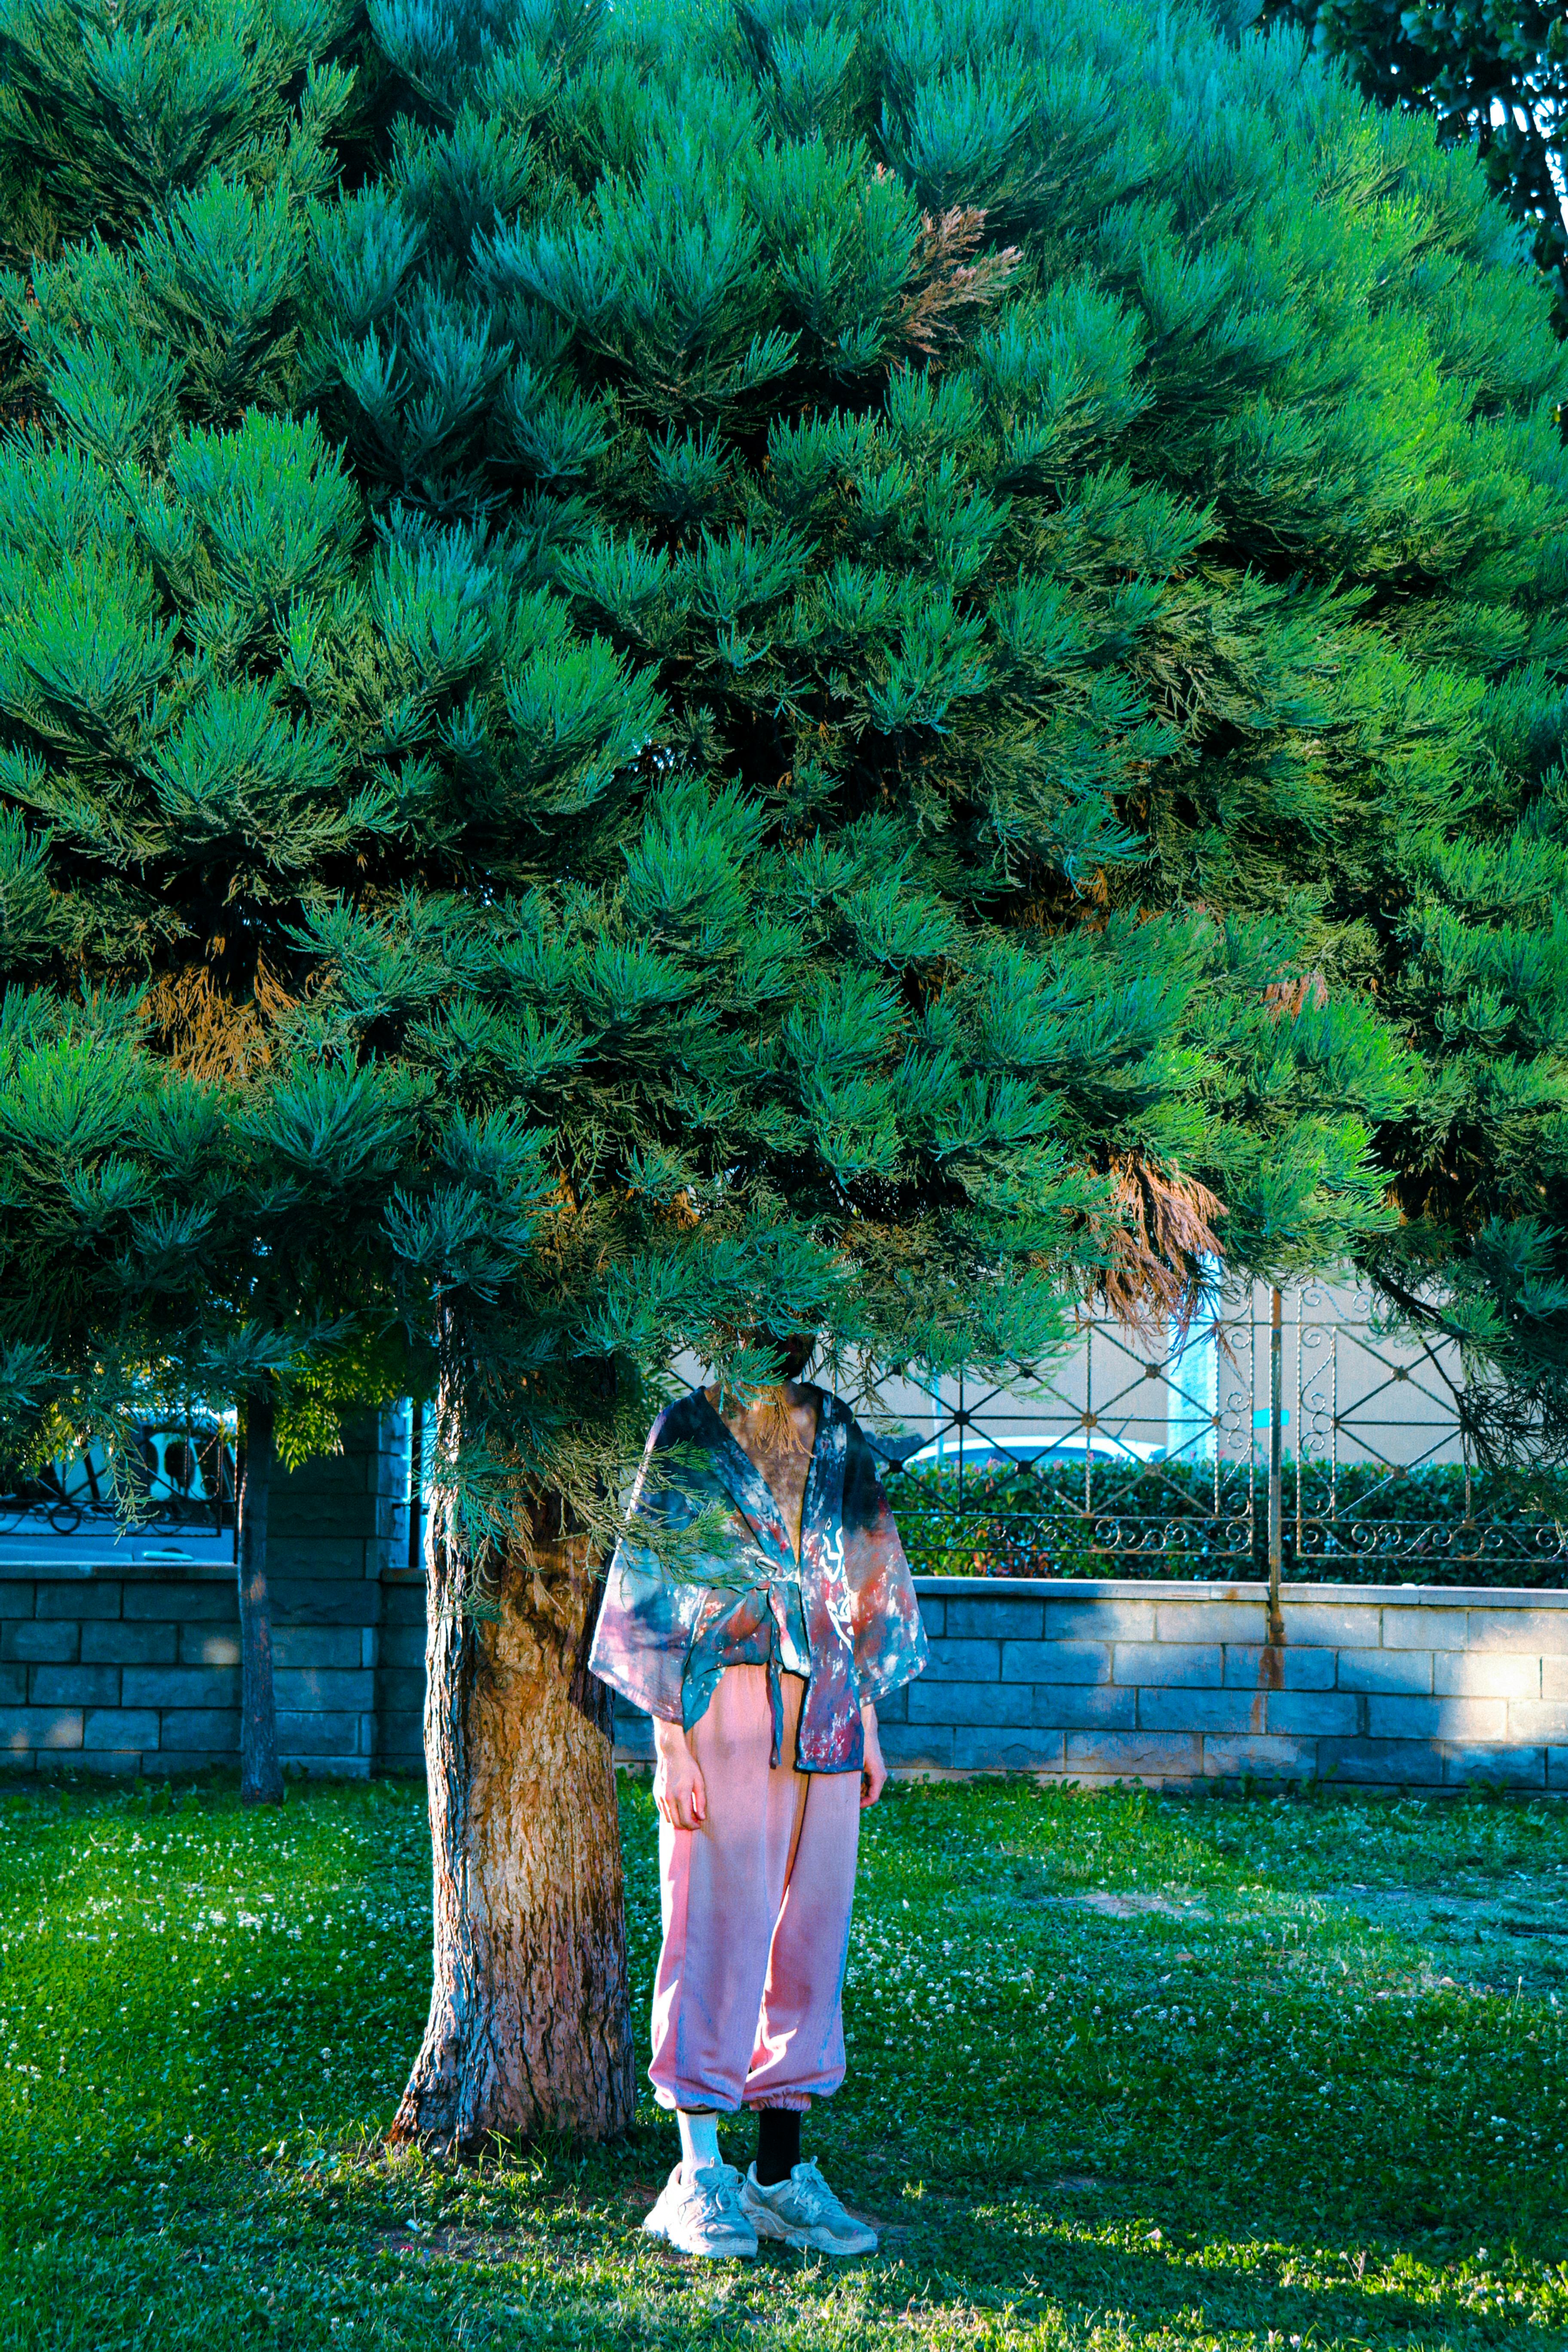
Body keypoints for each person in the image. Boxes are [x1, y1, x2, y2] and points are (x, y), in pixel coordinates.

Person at [588, 1335, 928, 2260]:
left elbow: (864, 1581)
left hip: (829, 1709)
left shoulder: (836, 1429)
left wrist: (868, 1723)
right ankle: (697, 2176)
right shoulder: (688, 1429)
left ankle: (777, 2176)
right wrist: (669, 1743)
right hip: (719, 1705)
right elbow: (650, 1589)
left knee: (812, 1936)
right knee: (714, 1927)